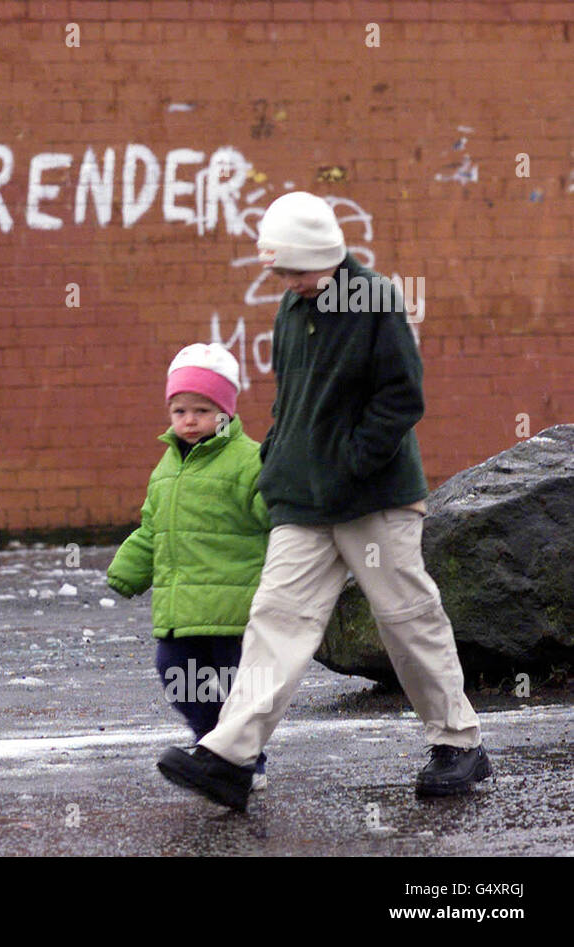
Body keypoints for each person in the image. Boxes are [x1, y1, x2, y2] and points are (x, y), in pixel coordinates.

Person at [157, 191, 490, 812]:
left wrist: (350, 464)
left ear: (323, 256)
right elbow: (289, 401)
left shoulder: (376, 301)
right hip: (302, 502)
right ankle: (230, 756)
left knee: (405, 618)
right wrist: (277, 461)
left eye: (293, 271)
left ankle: (459, 743)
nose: (285, 283)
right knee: (275, 621)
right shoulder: (292, 306)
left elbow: (400, 399)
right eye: (281, 272)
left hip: (374, 500)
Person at [107, 342, 272, 790]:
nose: (190, 420)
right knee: (174, 671)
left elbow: (272, 513)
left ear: (227, 411)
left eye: (202, 409)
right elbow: (152, 529)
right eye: (179, 410)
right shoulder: (165, 470)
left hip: (235, 606)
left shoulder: (249, 460)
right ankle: (210, 745)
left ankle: (242, 760)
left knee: (238, 689)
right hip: (183, 609)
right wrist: (128, 568)